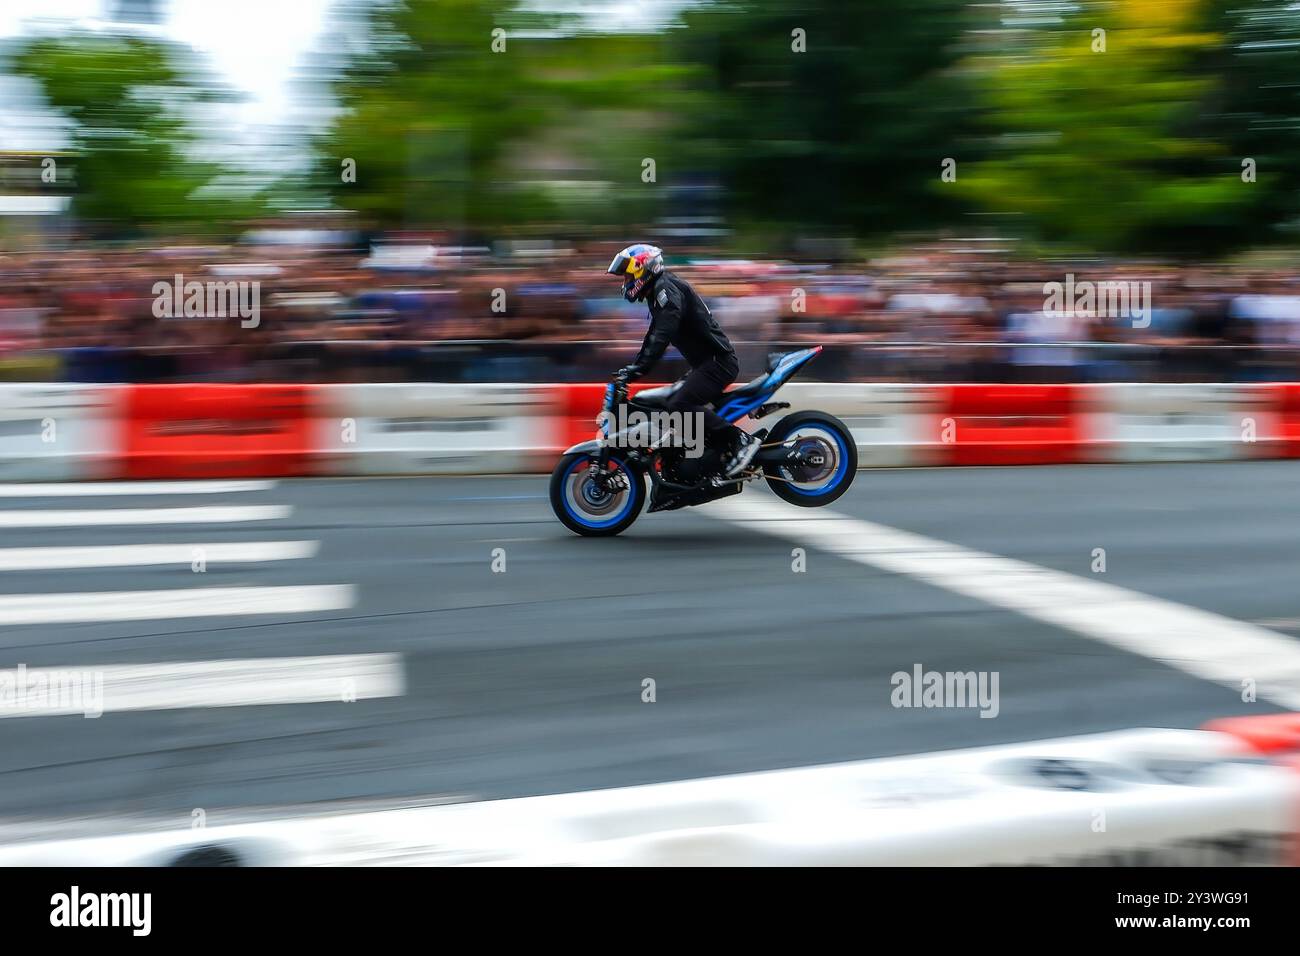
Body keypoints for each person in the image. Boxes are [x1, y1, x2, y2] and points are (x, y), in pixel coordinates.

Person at [606, 243, 761, 477]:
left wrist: (639, 369)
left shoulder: (666, 289)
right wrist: (633, 368)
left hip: (717, 363)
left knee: (679, 405)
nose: (626, 281)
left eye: (628, 275)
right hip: (705, 364)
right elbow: (653, 336)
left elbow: (663, 334)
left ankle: (740, 440)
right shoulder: (658, 291)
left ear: (642, 268)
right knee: (668, 401)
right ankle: (703, 455)